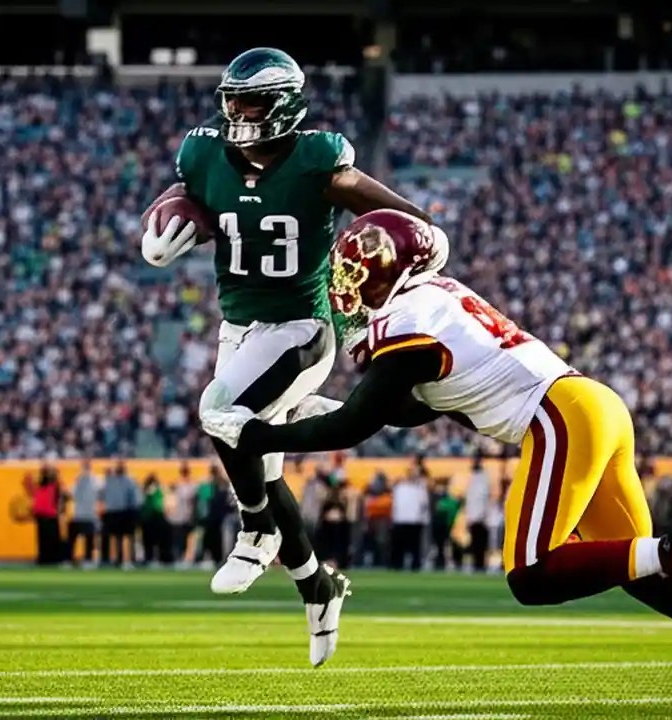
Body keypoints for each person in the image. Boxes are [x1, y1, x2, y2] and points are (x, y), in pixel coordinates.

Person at [201, 209, 672, 712]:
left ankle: (671, 544)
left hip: (560, 415)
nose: (348, 284)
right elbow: (409, 409)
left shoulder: (406, 319)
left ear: (391, 270)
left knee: (532, 573)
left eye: (360, 270)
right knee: (631, 572)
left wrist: (254, 435)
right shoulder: (435, 297)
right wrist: (316, 405)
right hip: (593, 405)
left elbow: (358, 423)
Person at [142, 47, 446, 665]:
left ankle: (254, 529)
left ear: (283, 103)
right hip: (240, 331)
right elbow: (187, 197)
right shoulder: (203, 154)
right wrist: (171, 221)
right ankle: (318, 586)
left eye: (251, 101)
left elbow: (400, 217)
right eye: (232, 101)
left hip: (302, 328)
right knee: (265, 465)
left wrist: (423, 241)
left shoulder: (318, 161)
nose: (239, 113)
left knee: (220, 412)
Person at [463, 455, 492, 572]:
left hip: (482, 518)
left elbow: (484, 499)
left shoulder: (483, 479)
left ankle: (480, 564)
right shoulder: (473, 479)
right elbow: (470, 501)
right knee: (476, 543)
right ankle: (477, 564)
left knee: (481, 543)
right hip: (474, 517)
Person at [67, 461, 99, 567]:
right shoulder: (80, 480)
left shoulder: (94, 481)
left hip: (88, 515)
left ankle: (88, 560)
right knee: (73, 540)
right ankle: (71, 559)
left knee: (88, 540)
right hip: (80, 515)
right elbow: (71, 494)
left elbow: (71, 494)